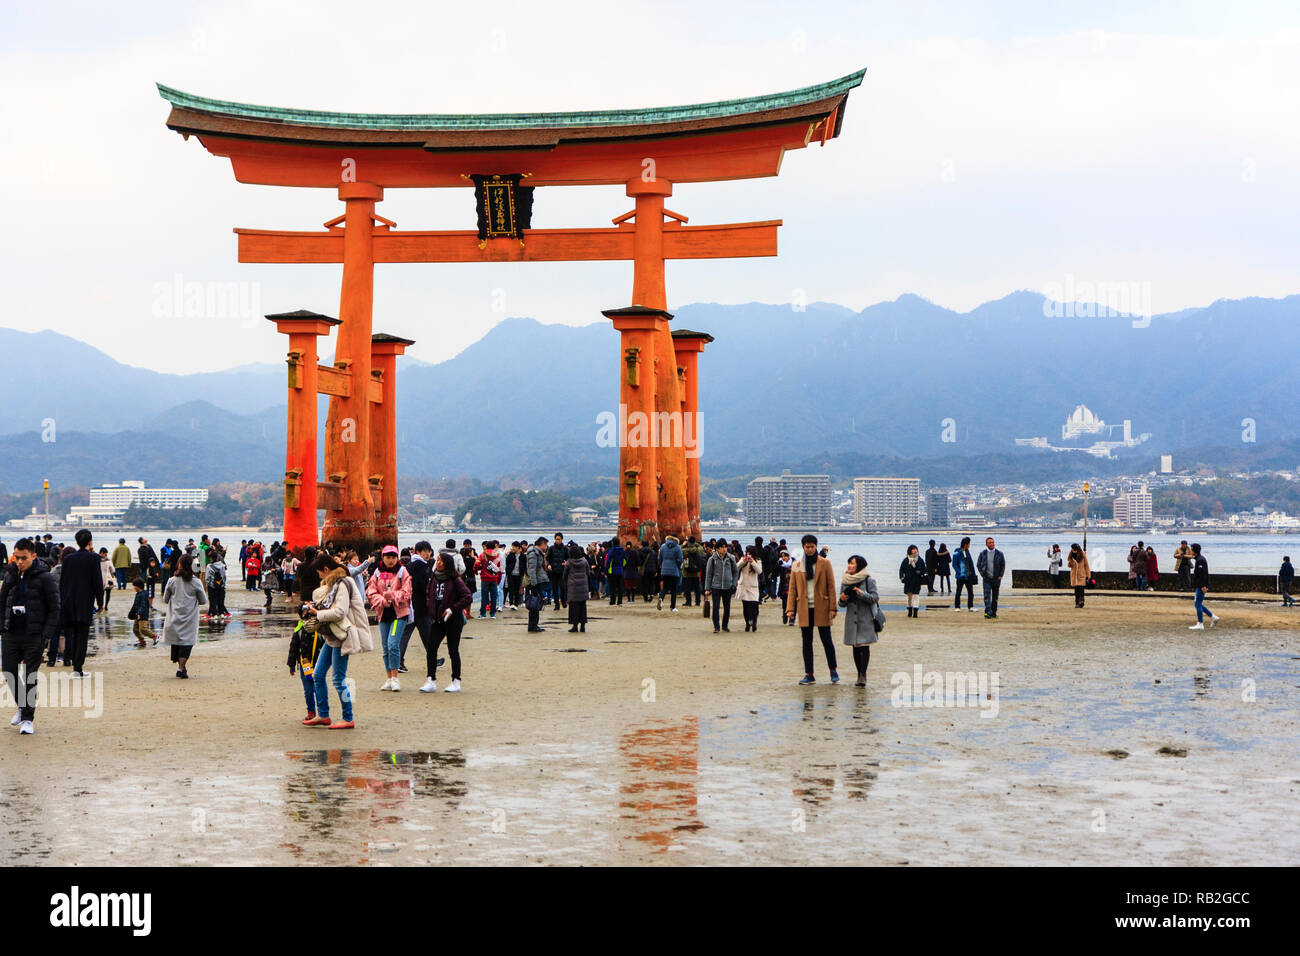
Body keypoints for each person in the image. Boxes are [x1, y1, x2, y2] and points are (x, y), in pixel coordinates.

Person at [304, 553, 373, 728]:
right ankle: (323, 714)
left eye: (320, 572)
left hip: (343, 634)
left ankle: (348, 717)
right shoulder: (334, 583)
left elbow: (340, 612)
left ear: (326, 570)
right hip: (333, 635)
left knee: (338, 678)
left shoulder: (342, 583)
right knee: (318, 675)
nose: (319, 576)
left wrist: (316, 613)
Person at [1, 539, 59, 734]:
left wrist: (46, 635)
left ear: (33, 556)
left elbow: (55, 608)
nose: (19, 561)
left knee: (30, 676)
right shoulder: (10, 575)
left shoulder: (45, 578)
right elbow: (2, 602)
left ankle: (28, 718)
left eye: (23, 558)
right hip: (11, 632)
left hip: (34, 634)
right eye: (16, 557)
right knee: (9, 672)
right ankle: (21, 706)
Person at [787, 534, 838, 684]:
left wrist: (833, 608)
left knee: (826, 640)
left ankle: (833, 670)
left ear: (816, 547)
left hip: (821, 605)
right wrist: (790, 609)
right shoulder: (797, 565)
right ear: (803, 547)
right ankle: (809, 674)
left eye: (812, 547)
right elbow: (792, 589)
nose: (810, 549)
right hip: (804, 607)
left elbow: (831, 586)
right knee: (806, 642)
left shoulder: (825, 563)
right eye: (807, 547)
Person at [367, 545, 412, 692]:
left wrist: (391, 596)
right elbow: (371, 591)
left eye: (393, 557)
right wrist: (381, 600)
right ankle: (388, 678)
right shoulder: (378, 573)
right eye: (388, 557)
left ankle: (395, 678)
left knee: (393, 645)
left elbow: (407, 592)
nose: (391, 560)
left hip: (399, 615)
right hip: (383, 614)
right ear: (383, 558)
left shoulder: (402, 572)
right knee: (385, 648)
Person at [425, 552, 471, 693]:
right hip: (437, 620)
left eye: (441, 561)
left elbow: (467, 597)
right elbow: (429, 594)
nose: (438, 563)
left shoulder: (455, 579)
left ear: (448, 564)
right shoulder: (434, 578)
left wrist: (453, 609)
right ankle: (430, 680)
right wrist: (430, 608)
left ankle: (456, 681)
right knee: (431, 648)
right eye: (437, 560)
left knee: (453, 650)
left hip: (453, 621)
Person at [59, 529, 100, 678]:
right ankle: (78, 668)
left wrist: (62, 601)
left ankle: (72, 663)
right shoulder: (94, 558)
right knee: (82, 636)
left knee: (71, 634)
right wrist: (101, 602)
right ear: (90, 542)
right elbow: (97, 582)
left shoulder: (68, 559)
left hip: (68, 602)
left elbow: (63, 583)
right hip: (85, 602)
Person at [838, 555, 881, 688]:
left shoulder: (869, 580)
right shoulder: (845, 581)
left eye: (852, 563)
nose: (849, 566)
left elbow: (875, 598)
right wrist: (843, 599)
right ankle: (858, 674)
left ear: (859, 566)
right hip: (852, 618)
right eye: (848, 563)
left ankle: (863, 674)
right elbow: (841, 604)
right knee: (855, 647)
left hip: (866, 618)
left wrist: (861, 593)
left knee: (864, 646)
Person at [162, 554, 207, 679]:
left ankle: (181, 667)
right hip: (189, 618)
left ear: (179, 564)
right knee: (187, 643)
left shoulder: (172, 581)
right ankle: (181, 668)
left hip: (174, 616)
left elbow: (165, 599)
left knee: (176, 642)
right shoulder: (196, 582)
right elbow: (203, 600)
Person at [287, 603, 326, 722]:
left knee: (318, 688)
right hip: (305, 665)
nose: (308, 615)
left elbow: (326, 646)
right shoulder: (299, 630)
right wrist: (291, 665)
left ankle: (322, 712)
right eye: (305, 613)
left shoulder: (320, 629)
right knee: (308, 690)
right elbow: (293, 648)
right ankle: (311, 711)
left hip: (318, 663)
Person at [703, 540, 738, 633]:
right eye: (722, 547)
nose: (724, 549)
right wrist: (707, 588)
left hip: (728, 586)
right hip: (716, 586)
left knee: (727, 607)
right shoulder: (712, 559)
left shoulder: (731, 558)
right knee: (716, 607)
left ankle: (725, 625)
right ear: (717, 549)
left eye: (725, 547)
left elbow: (735, 572)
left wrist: (734, 584)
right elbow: (709, 574)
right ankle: (716, 626)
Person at [1188, 543, 1220, 629]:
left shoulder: (1200, 560)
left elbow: (1203, 575)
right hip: (1200, 585)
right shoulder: (1198, 559)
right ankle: (1213, 617)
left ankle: (1200, 623)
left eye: (1191, 549)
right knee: (1197, 603)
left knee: (1197, 604)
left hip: (1201, 585)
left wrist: (1203, 586)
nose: (1190, 551)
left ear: (1194, 551)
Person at [562, 543, 590, 633]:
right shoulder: (585, 561)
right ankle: (583, 626)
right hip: (583, 587)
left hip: (573, 588)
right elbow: (588, 572)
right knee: (583, 607)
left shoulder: (569, 563)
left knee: (573, 608)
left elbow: (565, 575)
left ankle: (575, 626)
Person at [976, 536, 1005, 619]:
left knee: (995, 597)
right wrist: (982, 574)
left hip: (996, 578)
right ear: (986, 544)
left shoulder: (999, 553)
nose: (992, 544)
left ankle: (993, 612)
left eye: (992, 542)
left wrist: (1000, 575)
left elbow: (1003, 565)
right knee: (987, 596)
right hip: (986, 578)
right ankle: (988, 612)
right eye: (990, 542)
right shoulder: (983, 553)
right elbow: (978, 564)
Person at [525, 536, 549, 632]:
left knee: (537, 603)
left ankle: (534, 625)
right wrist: (533, 583)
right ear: (542, 544)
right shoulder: (533, 553)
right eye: (546, 544)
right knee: (534, 604)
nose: (547, 546)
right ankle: (532, 626)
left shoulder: (538, 553)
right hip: (535, 582)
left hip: (538, 581)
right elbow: (531, 569)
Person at [474, 541, 504, 619]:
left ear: (486, 547)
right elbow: (500, 569)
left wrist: (476, 571)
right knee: (494, 596)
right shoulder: (497, 555)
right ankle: (493, 614)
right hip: (494, 579)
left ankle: (483, 614)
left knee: (484, 596)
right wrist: (499, 579)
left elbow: (476, 564)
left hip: (484, 578)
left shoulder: (483, 555)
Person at [736, 546, 763, 632]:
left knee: (754, 607)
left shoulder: (758, 561)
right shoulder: (742, 559)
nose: (748, 555)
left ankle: (754, 623)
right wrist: (742, 562)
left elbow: (759, 571)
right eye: (747, 553)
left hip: (753, 587)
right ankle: (747, 623)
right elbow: (736, 568)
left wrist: (753, 562)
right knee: (746, 607)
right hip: (743, 586)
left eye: (750, 554)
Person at [127, 577, 158, 647]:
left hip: (143, 615)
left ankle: (155, 636)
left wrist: (139, 613)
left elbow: (143, 606)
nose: (133, 588)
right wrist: (131, 613)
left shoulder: (143, 594)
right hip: (137, 615)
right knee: (135, 629)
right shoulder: (137, 594)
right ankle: (142, 641)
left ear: (138, 586)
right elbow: (134, 605)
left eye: (134, 586)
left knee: (143, 629)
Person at [657, 534, 684, 611]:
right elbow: (680, 560)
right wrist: (678, 566)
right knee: (674, 589)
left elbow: (659, 558)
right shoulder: (678, 547)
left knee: (665, 587)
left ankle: (661, 598)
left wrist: (661, 565)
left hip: (664, 570)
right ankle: (672, 607)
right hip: (674, 570)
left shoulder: (663, 546)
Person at [899, 544, 926, 618]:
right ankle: (910, 611)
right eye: (913, 549)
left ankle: (916, 612)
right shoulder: (906, 560)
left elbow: (924, 570)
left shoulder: (920, 560)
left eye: (916, 549)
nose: (915, 550)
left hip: (917, 581)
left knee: (916, 596)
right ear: (910, 551)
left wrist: (920, 572)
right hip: (908, 581)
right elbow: (901, 569)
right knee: (909, 597)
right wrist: (901, 578)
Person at [952, 537, 976, 612]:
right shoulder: (957, 552)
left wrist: (973, 574)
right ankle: (957, 606)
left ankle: (970, 606)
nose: (969, 545)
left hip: (969, 575)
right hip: (960, 576)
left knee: (971, 592)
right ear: (965, 544)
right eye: (969, 544)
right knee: (958, 592)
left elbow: (970, 563)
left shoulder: (967, 551)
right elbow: (954, 564)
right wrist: (959, 572)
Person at [680, 537, 704, 607]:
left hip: (687, 572)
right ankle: (698, 602)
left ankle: (688, 602)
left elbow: (679, 549)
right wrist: (695, 543)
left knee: (687, 588)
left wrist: (684, 544)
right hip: (696, 572)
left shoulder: (684, 550)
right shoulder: (698, 550)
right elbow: (701, 547)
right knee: (697, 588)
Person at [205, 550, 229, 618]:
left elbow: (207, 577)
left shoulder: (209, 566)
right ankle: (221, 613)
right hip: (220, 585)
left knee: (212, 599)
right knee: (220, 599)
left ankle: (214, 613)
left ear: (211, 558)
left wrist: (208, 584)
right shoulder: (221, 565)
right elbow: (224, 576)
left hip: (212, 585)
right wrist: (223, 584)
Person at [547, 533, 568, 610]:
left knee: (563, 588)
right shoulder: (551, 548)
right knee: (554, 588)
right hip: (553, 571)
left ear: (562, 539)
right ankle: (556, 604)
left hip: (562, 571)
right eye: (556, 539)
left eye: (559, 539)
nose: (557, 541)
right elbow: (547, 558)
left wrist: (566, 562)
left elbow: (568, 558)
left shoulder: (565, 548)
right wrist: (548, 565)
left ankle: (563, 601)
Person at [1068, 543, 1090, 608]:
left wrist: (1088, 575)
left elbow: (1086, 565)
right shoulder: (1071, 555)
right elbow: (1069, 565)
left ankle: (1081, 601)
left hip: (1081, 574)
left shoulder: (1083, 554)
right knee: (1076, 590)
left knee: (1081, 589)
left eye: (1074, 549)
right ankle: (1077, 603)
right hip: (1074, 575)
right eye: (1072, 549)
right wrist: (1071, 562)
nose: (1072, 550)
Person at [605, 539, 626, 606]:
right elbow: (625, 560)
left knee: (612, 587)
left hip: (612, 571)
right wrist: (622, 566)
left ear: (613, 543)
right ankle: (620, 601)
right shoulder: (622, 550)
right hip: (620, 570)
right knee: (620, 587)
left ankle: (612, 601)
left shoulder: (611, 551)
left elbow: (608, 561)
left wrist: (606, 570)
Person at [96, 547, 114, 613]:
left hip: (100, 578)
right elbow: (113, 570)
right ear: (102, 553)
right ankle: (106, 606)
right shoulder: (108, 560)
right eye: (105, 554)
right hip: (108, 578)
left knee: (101, 594)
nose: (106, 555)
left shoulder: (96, 560)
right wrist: (112, 574)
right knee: (108, 593)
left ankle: (101, 606)